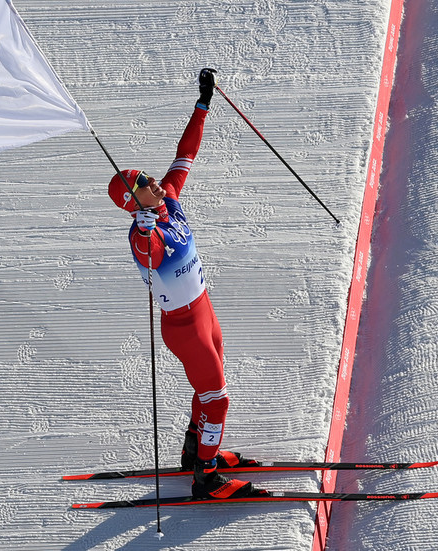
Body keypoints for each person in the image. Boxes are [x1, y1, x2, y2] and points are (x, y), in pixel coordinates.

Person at [107, 68, 259, 499]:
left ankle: (195, 450)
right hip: (183, 326)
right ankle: (206, 478)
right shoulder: (142, 236)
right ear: (132, 201)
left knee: (209, 388)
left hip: (204, 311)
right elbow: (148, 250)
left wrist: (203, 104)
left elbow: (184, 154)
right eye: (143, 183)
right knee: (218, 398)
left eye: (148, 176)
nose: (153, 181)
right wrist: (143, 228)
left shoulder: (169, 201)